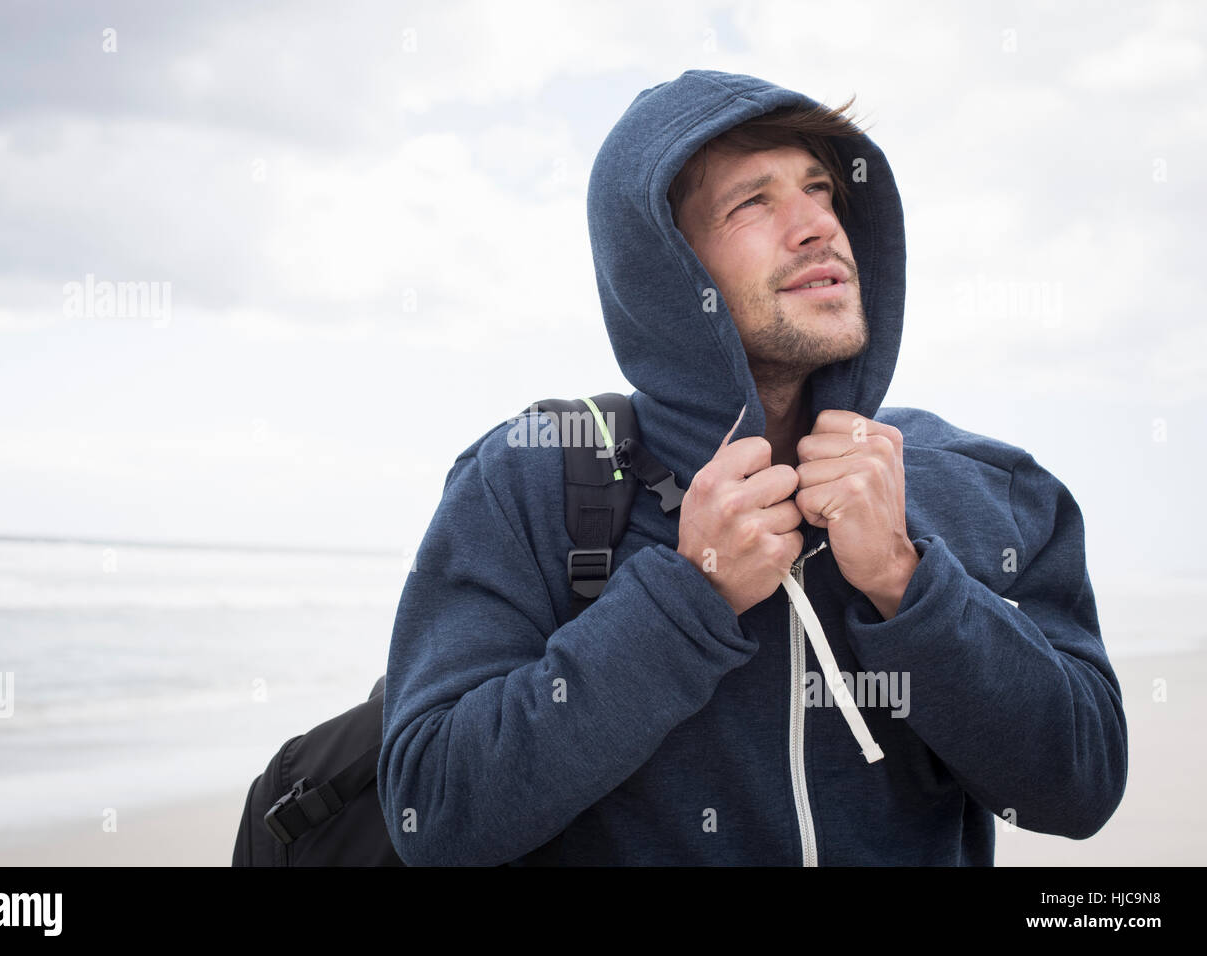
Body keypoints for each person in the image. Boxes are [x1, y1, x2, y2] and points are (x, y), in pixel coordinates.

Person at [376, 69, 1128, 866]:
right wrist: (685, 602)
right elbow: (435, 812)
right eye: (752, 202)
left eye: (821, 189)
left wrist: (909, 586)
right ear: (663, 269)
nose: (817, 228)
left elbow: (1081, 790)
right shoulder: (531, 478)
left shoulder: (987, 487)